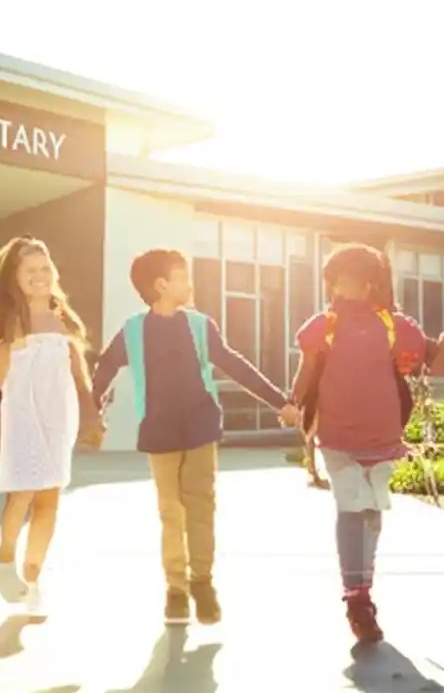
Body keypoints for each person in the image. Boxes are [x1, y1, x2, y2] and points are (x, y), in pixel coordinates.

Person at [90, 248, 298, 626]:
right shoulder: (134, 329)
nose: (189, 283)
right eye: (182, 276)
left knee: (201, 507)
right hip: (158, 430)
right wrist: (92, 408)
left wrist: (278, 402)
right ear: (161, 285)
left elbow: (234, 364)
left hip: (201, 427)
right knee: (171, 511)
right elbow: (104, 366)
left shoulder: (201, 325)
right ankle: (175, 589)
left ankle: (201, 582)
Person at [289, 244, 444, 645]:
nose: (339, 287)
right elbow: (306, 371)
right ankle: (357, 597)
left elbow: (432, 363)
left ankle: (363, 583)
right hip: (337, 435)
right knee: (351, 507)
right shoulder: (322, 326)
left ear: (370, 284)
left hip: (382, 437)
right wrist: (293, 408)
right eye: (334, 280)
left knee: (371, 512)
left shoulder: (395, 326)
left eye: (348, 279)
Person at [0, 236, 98, 618]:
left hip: (59, 416)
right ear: (16, 277)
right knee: (22, 492)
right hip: (24, 415)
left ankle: (33, 579)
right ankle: (5, 558)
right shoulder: (14, 320)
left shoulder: (63, 319)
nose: (41, 276)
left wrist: (92, 414)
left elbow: (78, 371)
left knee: (49, 500)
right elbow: (0, 365)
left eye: (45, 268)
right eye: (31, 271)